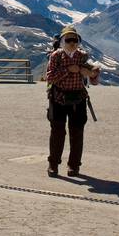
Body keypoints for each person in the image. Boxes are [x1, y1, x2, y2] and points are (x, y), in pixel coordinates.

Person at [44, 25, 100, 178]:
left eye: (74, 40)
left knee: (77, 133)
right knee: (57, 133)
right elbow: (50, 77)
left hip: (78, 100)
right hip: (58, 99)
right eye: (68, 40)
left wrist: (93, 74)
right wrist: (69, 70)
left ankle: (74, 166)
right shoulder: (55, 56)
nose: (72, 43)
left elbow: (93, 81)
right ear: (62, 41)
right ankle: (53, 165)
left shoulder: (83, 56)